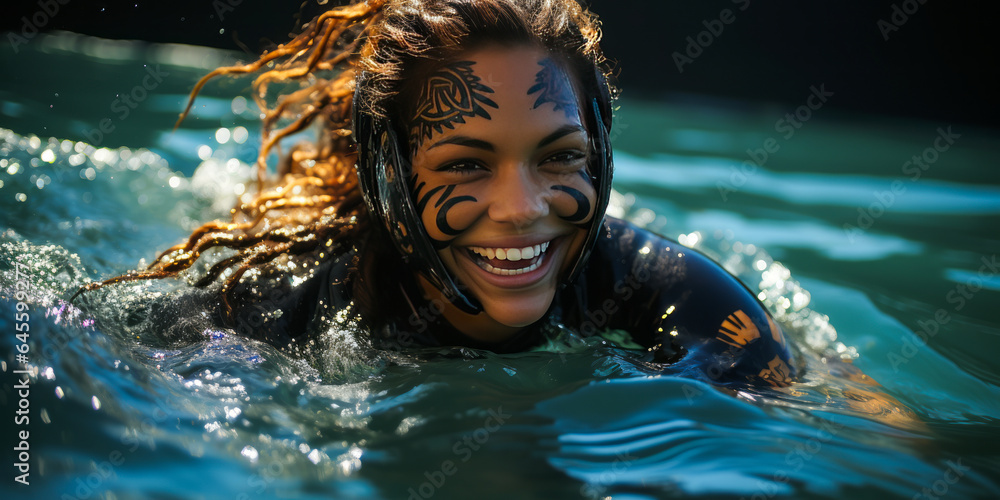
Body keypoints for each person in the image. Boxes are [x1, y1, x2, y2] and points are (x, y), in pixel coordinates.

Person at [75, 0, 796, 388]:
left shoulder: (676, 295)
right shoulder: (273, 311)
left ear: (602, 152)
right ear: (385, 172)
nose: (521, 208)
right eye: (465, 166)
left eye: (561, 157)